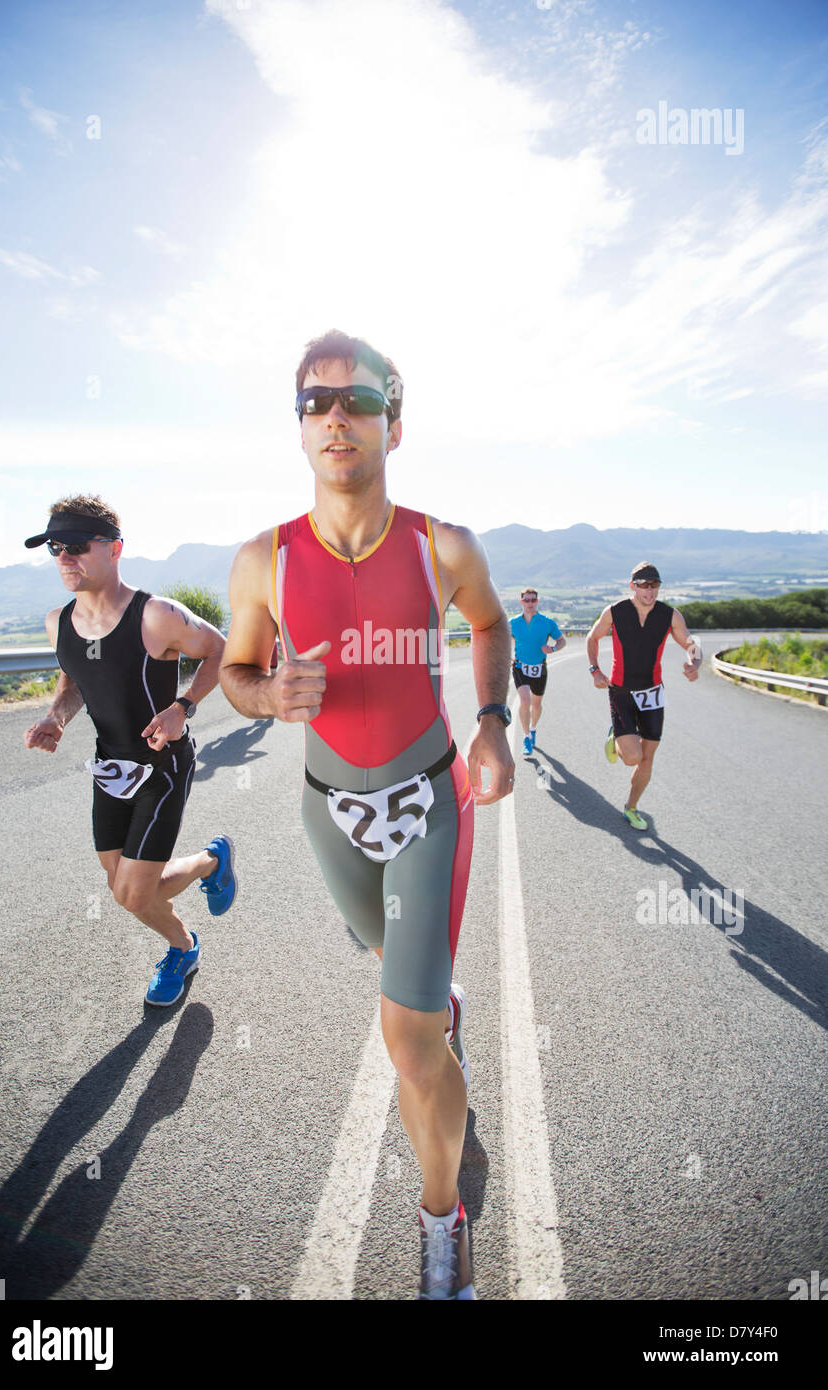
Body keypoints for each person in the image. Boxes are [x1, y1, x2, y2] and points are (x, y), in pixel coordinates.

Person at [219, 330, 514, 1300]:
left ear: (395, 417)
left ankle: (442, 1233)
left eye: (356, 399)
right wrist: (265, 697)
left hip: (430, 800)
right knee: (390, 969)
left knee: (406, 1040)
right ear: (298, 425)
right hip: (326, 814)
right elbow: (234, 671)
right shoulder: (263, 558)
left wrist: (488, 723)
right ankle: (440, 1004)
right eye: (315, 402)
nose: (335, 416)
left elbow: (488, 624)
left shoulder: (442, 546)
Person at [23, 495, 237, 1005]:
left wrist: (182, 706)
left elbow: (221, 649)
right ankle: (206, 874)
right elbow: (75, 678)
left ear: (115, 549)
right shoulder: (59, 621)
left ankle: (188, 931)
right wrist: (55, 718)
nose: (64, 558)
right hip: (111, 767)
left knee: (133, 894)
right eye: (55, 548)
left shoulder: (156, 615)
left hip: (163, 764)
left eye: (76, 545)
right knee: (121, 882)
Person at [586, 562, 701, 830]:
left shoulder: (670, 615)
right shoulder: (615, 611)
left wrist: (695, 662)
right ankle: (615, 737)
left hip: (652, 693)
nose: (650, 591)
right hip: (621, 691)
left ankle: (631, 807)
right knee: (632, 758)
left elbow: (690, 643)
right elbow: (592, 638)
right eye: (644, 586)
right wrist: (595, 671)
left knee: (648, 758)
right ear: (633, 587)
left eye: (654, 586)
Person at [509, 588, 566, 755]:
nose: (530, 603)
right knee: (525, 701)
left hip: (539, 668)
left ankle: (533, 729)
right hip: (520, 667)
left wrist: (554, 648)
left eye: (533, 600)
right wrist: (507, 657)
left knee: (536, 704)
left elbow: (562, 641)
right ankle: (526, 737)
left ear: (537, 602)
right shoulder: (513, 623)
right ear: (521, 602)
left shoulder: (547, 622)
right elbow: (501, 639)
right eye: (526, 600)